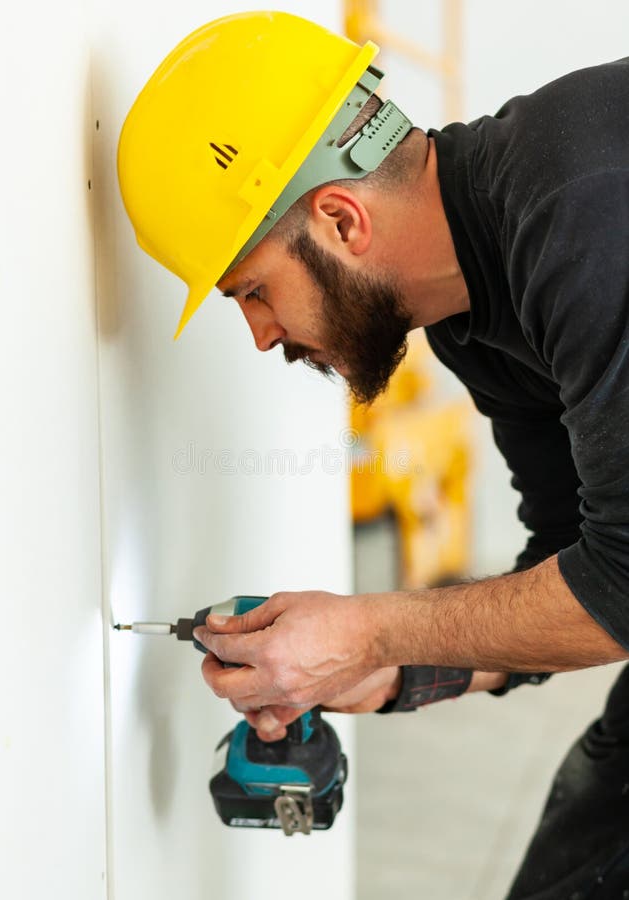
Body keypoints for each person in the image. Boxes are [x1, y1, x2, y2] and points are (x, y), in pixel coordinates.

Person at [117, 12, 629, 897]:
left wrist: (367, 626)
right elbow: (565, 567)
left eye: (252, 290)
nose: (259, 332)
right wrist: (381, 667)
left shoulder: (579, 212)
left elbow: (621, 588)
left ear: (341, 220)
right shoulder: (473, 316)